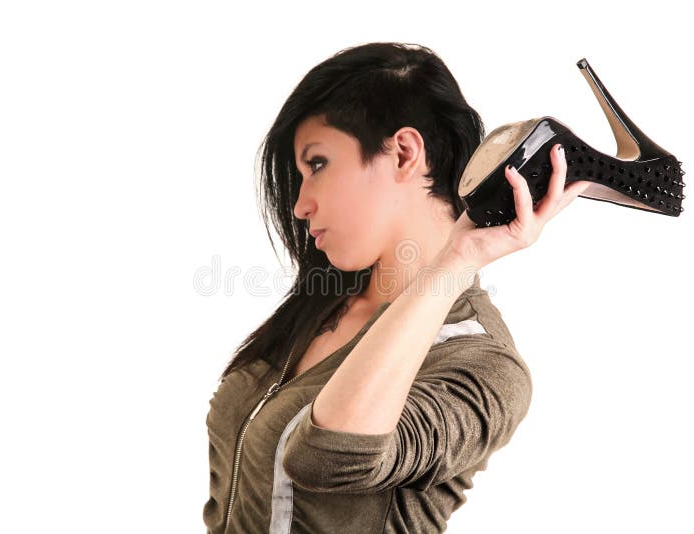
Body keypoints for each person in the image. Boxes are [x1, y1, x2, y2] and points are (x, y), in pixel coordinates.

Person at [203, 41, 591, 533]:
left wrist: (458, 259)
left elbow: (325, 456)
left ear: (404, 153)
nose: (300, 205)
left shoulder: (484, 364)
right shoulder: (324, 304)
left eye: (317, 164)